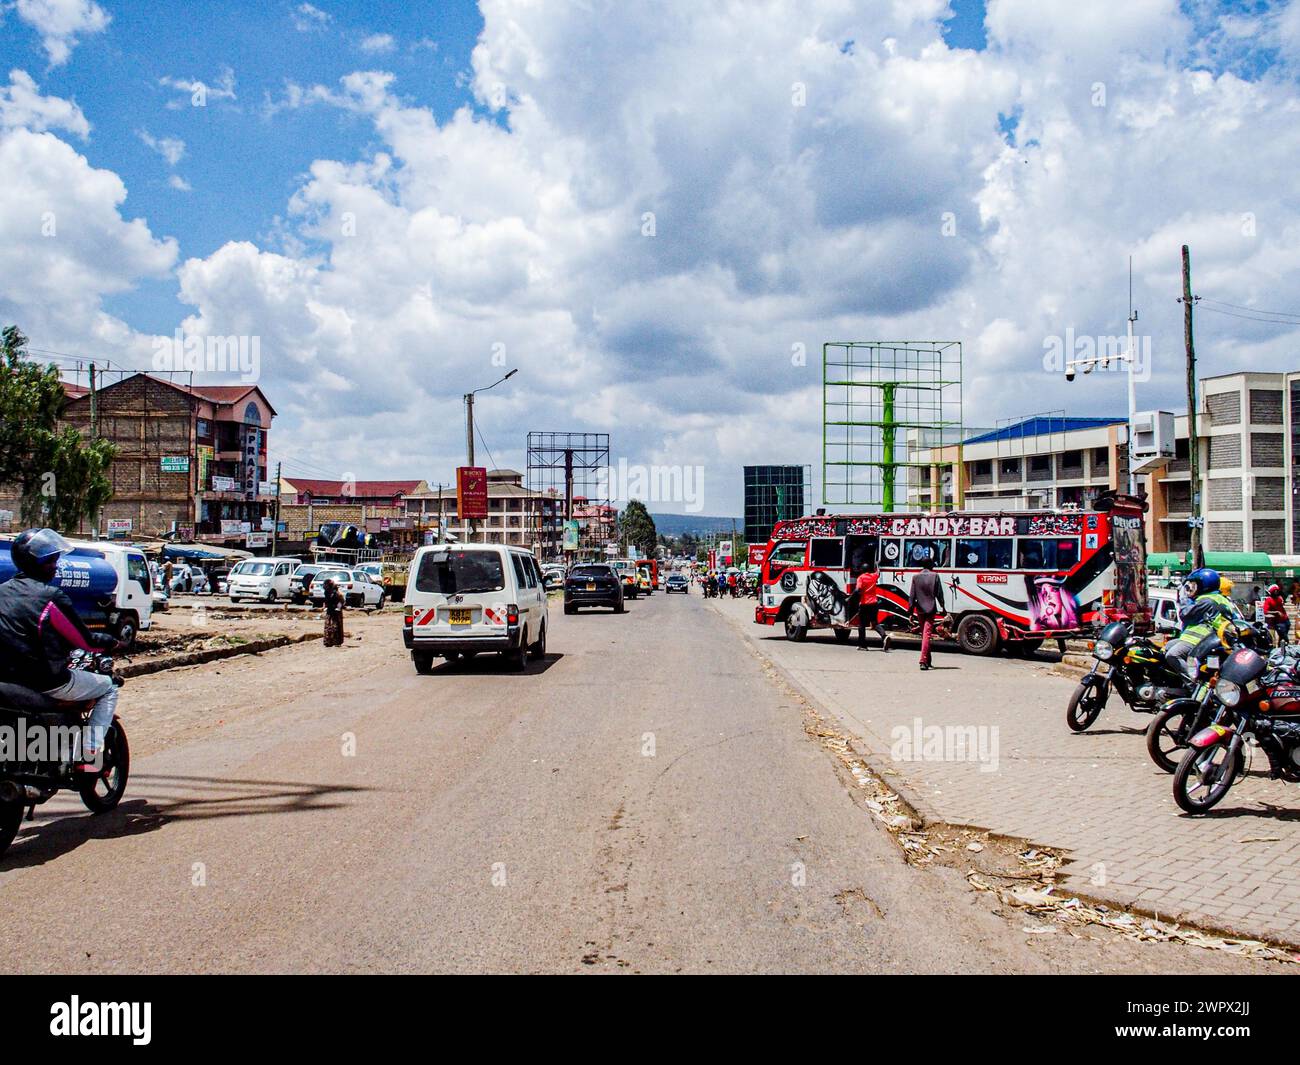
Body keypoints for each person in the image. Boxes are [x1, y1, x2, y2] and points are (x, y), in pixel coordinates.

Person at [0, 528, 121, 766]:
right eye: (50, 561)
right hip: (45, 682)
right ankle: (89, 753)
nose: (55, 566)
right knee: (109, 687)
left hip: (5, 681)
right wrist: (113, 642)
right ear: (38, 564)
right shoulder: (50, 598)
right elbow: (84, 641)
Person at [1164, 567, 1238, 681]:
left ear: (1204, 585)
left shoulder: (1207, 600)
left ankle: (1192, 682)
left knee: (1172, 655)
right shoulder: (1220, 599)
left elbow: (1185, 614)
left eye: (1194, 585)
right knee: (1165, 647)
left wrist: (1183, 598)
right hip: (1200, 639)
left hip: (1198, 640)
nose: (1191, 588)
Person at [909, 555, 945, 670]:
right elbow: (939, 594)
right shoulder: (935, 576)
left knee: (925, 634)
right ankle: (923, 661)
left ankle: (928, 660)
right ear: (930, 565)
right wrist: (943, 607)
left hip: (919, 609)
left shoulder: (915, 577)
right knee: (926, 634)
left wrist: (910, 613)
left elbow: (912, 596)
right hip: (930, 609)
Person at [851, 563, 890, 651]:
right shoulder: (873, 576)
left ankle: (863, 645)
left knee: (861, 624)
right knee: (875, 623)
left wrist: (850, 598)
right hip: (874, 603)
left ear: (862, 570)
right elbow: (878, 572)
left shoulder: (861, 578)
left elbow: (857, 590)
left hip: (864, 604)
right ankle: (884, 636)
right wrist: (877, 564)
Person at [322, 578, 344, 647]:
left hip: (336, 612)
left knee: (336, 626)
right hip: (330, 611)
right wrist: (325, 606)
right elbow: (326, 601)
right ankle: (328, 641)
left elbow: (341, 601)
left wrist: (338, 608)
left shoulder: (337, 593)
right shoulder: (327, 592)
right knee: (328, 626)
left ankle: (336, 641)